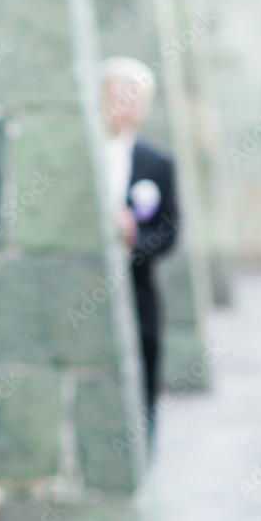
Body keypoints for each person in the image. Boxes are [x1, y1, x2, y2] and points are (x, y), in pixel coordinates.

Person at [99, 57, 179, 444]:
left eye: (137, 98)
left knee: (145, 369)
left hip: (138, 288)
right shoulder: (85, 156)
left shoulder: (157, 161)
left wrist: (133, 239)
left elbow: (169, 231)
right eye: (119, 96)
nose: (127, 106)